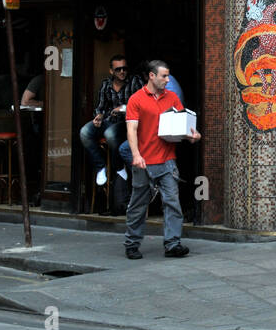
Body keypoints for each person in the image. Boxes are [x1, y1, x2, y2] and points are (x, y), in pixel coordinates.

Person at [123, 60, 201, 259]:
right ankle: (132, 244)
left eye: (168, 76)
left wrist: (192, 136)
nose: (168, 80)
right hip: (144, 161)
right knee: (138, 204)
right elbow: (131, 129)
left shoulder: (172, 97)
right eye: (164, 76)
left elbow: (181, 126)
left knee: (172, 202)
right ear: (151, 76)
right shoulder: (136, 99)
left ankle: (173, 244)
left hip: (167, 161)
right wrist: (136, 155)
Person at [78, 55, 139, 188]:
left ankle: (118, 166)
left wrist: (123, 108)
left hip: (127, 123)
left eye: (124, 68)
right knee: (84, 132)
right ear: (111, 71)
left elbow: (142, 105)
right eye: (118, 69)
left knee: (110, 134)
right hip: (109, 120)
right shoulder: (106, 84)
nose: (122, 72)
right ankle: (101, 167)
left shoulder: (135, 81)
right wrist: (98, 116)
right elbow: (100, 107)